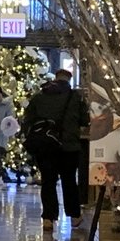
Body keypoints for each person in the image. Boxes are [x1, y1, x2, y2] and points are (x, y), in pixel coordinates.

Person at [21, 66, 91, 229]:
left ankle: (48, 218)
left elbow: (28, 119)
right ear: (69, 79)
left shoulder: (39, 96)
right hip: (69, 146)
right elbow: (84, 120)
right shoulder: (75, 97)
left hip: (46, 145)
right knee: (69, 181)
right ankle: (74, 216)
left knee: (48, 181)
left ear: (55, 78)